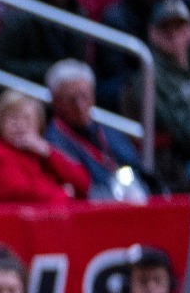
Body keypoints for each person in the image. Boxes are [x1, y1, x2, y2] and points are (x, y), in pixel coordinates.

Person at [43, 60, 148, 196]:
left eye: (85, 96)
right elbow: (82, 188)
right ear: (55, 101)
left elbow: (135, 166)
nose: (80, 106)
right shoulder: (53, 141)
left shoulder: (107, 130)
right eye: (71, 99)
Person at [0, 89, 91, 205]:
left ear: (39, 124)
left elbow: (83, 184)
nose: (20, 125)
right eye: (13, 119)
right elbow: (23, 194)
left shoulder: (41, 152)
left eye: (27, 119)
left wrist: (48, 152)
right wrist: (64, 193)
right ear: (0, 124)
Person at [128, 0, 190, 192]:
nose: (173, 34)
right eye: (165, 28)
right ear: (152, 33)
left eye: (179, 26)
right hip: (176, 162)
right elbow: (180, 129)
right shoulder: (148, 75)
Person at [98, 0, 170, 104]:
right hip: (119, 85)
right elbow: (113, 71)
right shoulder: (114, 18)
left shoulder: (168, 14)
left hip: (159, 81)